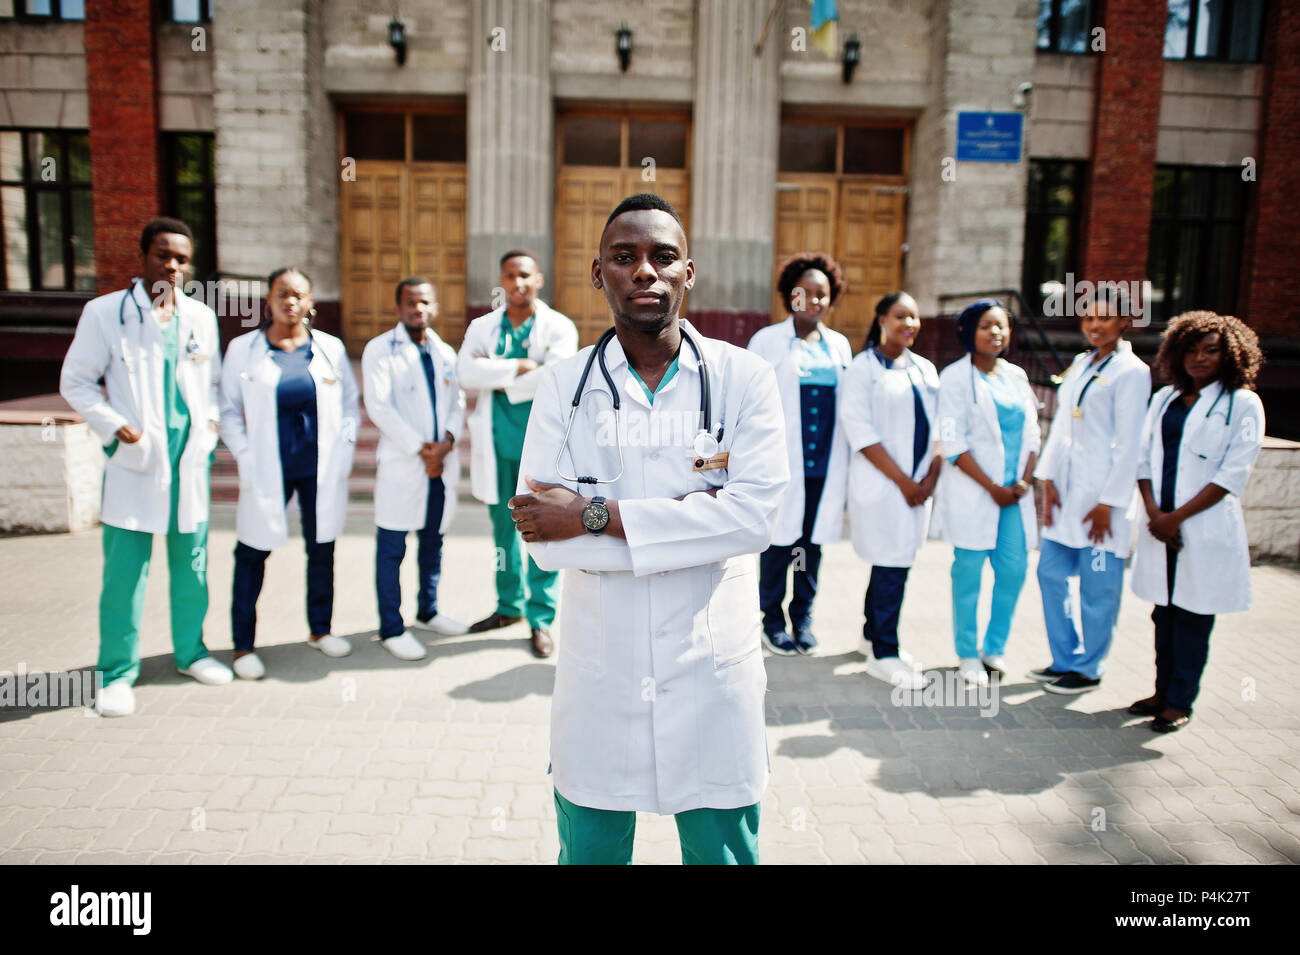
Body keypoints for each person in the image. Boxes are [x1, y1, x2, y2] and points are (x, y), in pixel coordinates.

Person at [508, 194, 788, 865]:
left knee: (723, 854)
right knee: (592, 853)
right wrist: (694, 520)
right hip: (603, 671)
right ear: (597, 273)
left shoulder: (744, 378)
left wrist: (591, 514)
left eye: (662, 257)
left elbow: (757, 518)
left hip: (710, 667)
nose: (645, 272)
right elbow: (542, 540)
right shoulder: (563, 386)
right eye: (624, 257)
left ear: (688, 271)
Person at [60, 216, 233, 715]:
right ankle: (116, 672)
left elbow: (215, 385)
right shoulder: (105, 313)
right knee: (124, 575)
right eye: (163, 255)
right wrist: (114, 427)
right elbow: (76, 382)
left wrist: (212, 426)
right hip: (137, 463)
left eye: (181, 258)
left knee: (193, 568)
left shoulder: (201, 317)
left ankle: (191, 652)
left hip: (188, 464)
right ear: (143, 258)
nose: (173, 265)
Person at [219, 268, 360, 679]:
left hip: (318, 467)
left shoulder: (329, 348)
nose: (290, 301)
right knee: (252, 553)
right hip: (268, 467)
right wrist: (244, 455)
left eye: (298, 295)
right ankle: (243, 645)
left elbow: (349, 403)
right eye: (282, 293)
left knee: (321, 548)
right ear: (269, 299)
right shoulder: (244, 349)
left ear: (310, 302)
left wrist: (346, 446)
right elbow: (227, 409)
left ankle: (320, 630)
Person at [1128, 311, 1265, 733]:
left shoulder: (1242, 403)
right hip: (1160, 525)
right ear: (1176, 352)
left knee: (1193, 617)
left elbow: (1231, 474)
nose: (1200, 358)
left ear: (1230, 355)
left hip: (1200, 528)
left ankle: (1179, 701)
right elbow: (1144, 458)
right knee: (1163, 614)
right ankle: (1161, 690)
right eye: (1191, 350)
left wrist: (1176, 519)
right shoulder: (1164, 399)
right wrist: (1155, 514)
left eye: (1211, 350)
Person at [457, 251, 578, 657]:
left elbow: (556, 377)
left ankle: (541, 619)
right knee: (502, 534)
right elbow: (464, 373)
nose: (518, 283)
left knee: (542, 529)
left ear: (538, 279)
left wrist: (496, 372)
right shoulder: (483, 326)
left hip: (540, 448)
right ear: (502, 281)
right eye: (510, 276)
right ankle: (507, 606)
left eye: (525, 275)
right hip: (496, 443)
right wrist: (523, 366)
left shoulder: (559, 327)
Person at [1032, 297, 1150, 694]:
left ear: (1125, 322)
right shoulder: (1082, 364)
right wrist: (1047, 482)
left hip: (1101, 505)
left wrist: (1108, 504)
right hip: (1067, 497)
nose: (1095, 325)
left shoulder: (1132, 373)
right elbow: (1063, 425)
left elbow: (1131, 444)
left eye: (1106, 317)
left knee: (1098, 586)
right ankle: (1064, 658)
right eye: (1089, 317)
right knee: (1049, 573)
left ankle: (1089, 667)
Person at [746, 252, 851, 656]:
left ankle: (801, 616)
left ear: (831, 297)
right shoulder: (767, 341)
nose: (813, 300)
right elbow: (748, 403)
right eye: (803, 292)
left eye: (821, 294)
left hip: (823, 465)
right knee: (777, 544)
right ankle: (771, 620)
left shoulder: (840, 346)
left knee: (809, 546)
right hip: (781, 463)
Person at [935, 299, 1041, 688]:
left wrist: (1023, 481)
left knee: (1013, 571)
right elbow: (952, 442)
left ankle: (994, 647)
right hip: (977, 493)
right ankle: (966, 653)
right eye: (985, 326)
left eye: (1001, 326)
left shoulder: (1016, 376)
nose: (995, 332)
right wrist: (992, 487)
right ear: (968, 332)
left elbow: (1033, 433)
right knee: (969, 574)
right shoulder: (954, 378)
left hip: (1014, 495)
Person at [361, 277, 468, 661]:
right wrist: (422, 450)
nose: (417, 309)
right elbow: (378, 406)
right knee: (392, 548)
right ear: (398, 308)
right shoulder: (380, 350)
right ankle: (391, 627)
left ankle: (428, 610)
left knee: (432, 540)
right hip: (405, 464)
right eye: (410, 303)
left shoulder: (444, 352)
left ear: (434, 307)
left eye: (424, 302)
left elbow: (457, 402)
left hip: (440, 463)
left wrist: (448, 442)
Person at [839, 291, 941, 690]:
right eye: (900, 316)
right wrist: (904, 482)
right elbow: (860, 432)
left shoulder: (926, 369)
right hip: (886, 486)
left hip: (916, 487)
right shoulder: (862, 369)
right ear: (881, 319)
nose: (909, 324)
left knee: (892, 562)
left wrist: (929, 478)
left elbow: (941, 428)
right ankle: (885, 652)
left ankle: (870, 638)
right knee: (891, 565)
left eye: (914, 318)